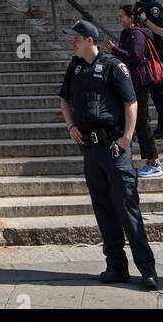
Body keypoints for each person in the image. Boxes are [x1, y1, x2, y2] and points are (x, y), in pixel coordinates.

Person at [59, 20, 158, 289]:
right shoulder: (75, 66)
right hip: (90, 150)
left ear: (90, 40)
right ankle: (115, 266)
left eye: (76, 38)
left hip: (114, 147)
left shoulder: (115, 66)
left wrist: (126, 138)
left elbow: (131, 102)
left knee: (127, 208)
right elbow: (64, 99)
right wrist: (71, 125)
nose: (73, 42)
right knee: (103, 211)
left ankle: (147, 268)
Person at [104, 5, 162, 177]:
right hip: (131, 82)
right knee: (136, 121)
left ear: (131, 17)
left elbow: (135, 58)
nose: (119, 19)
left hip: (141, 83)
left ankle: (154, 162)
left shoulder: (137, 34)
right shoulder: (126, 33)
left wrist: (114, 50)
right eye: (118, 16)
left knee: (142, 122)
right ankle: (134, 153)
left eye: (122, 16)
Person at [129, 0, 163, 139]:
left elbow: (161, 31)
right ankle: (142, 127)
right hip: (142, 55)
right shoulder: (138, 6)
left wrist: (145, 20)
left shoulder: (154, 7)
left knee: (158, 93)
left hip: (154, 56)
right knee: (142, 93)